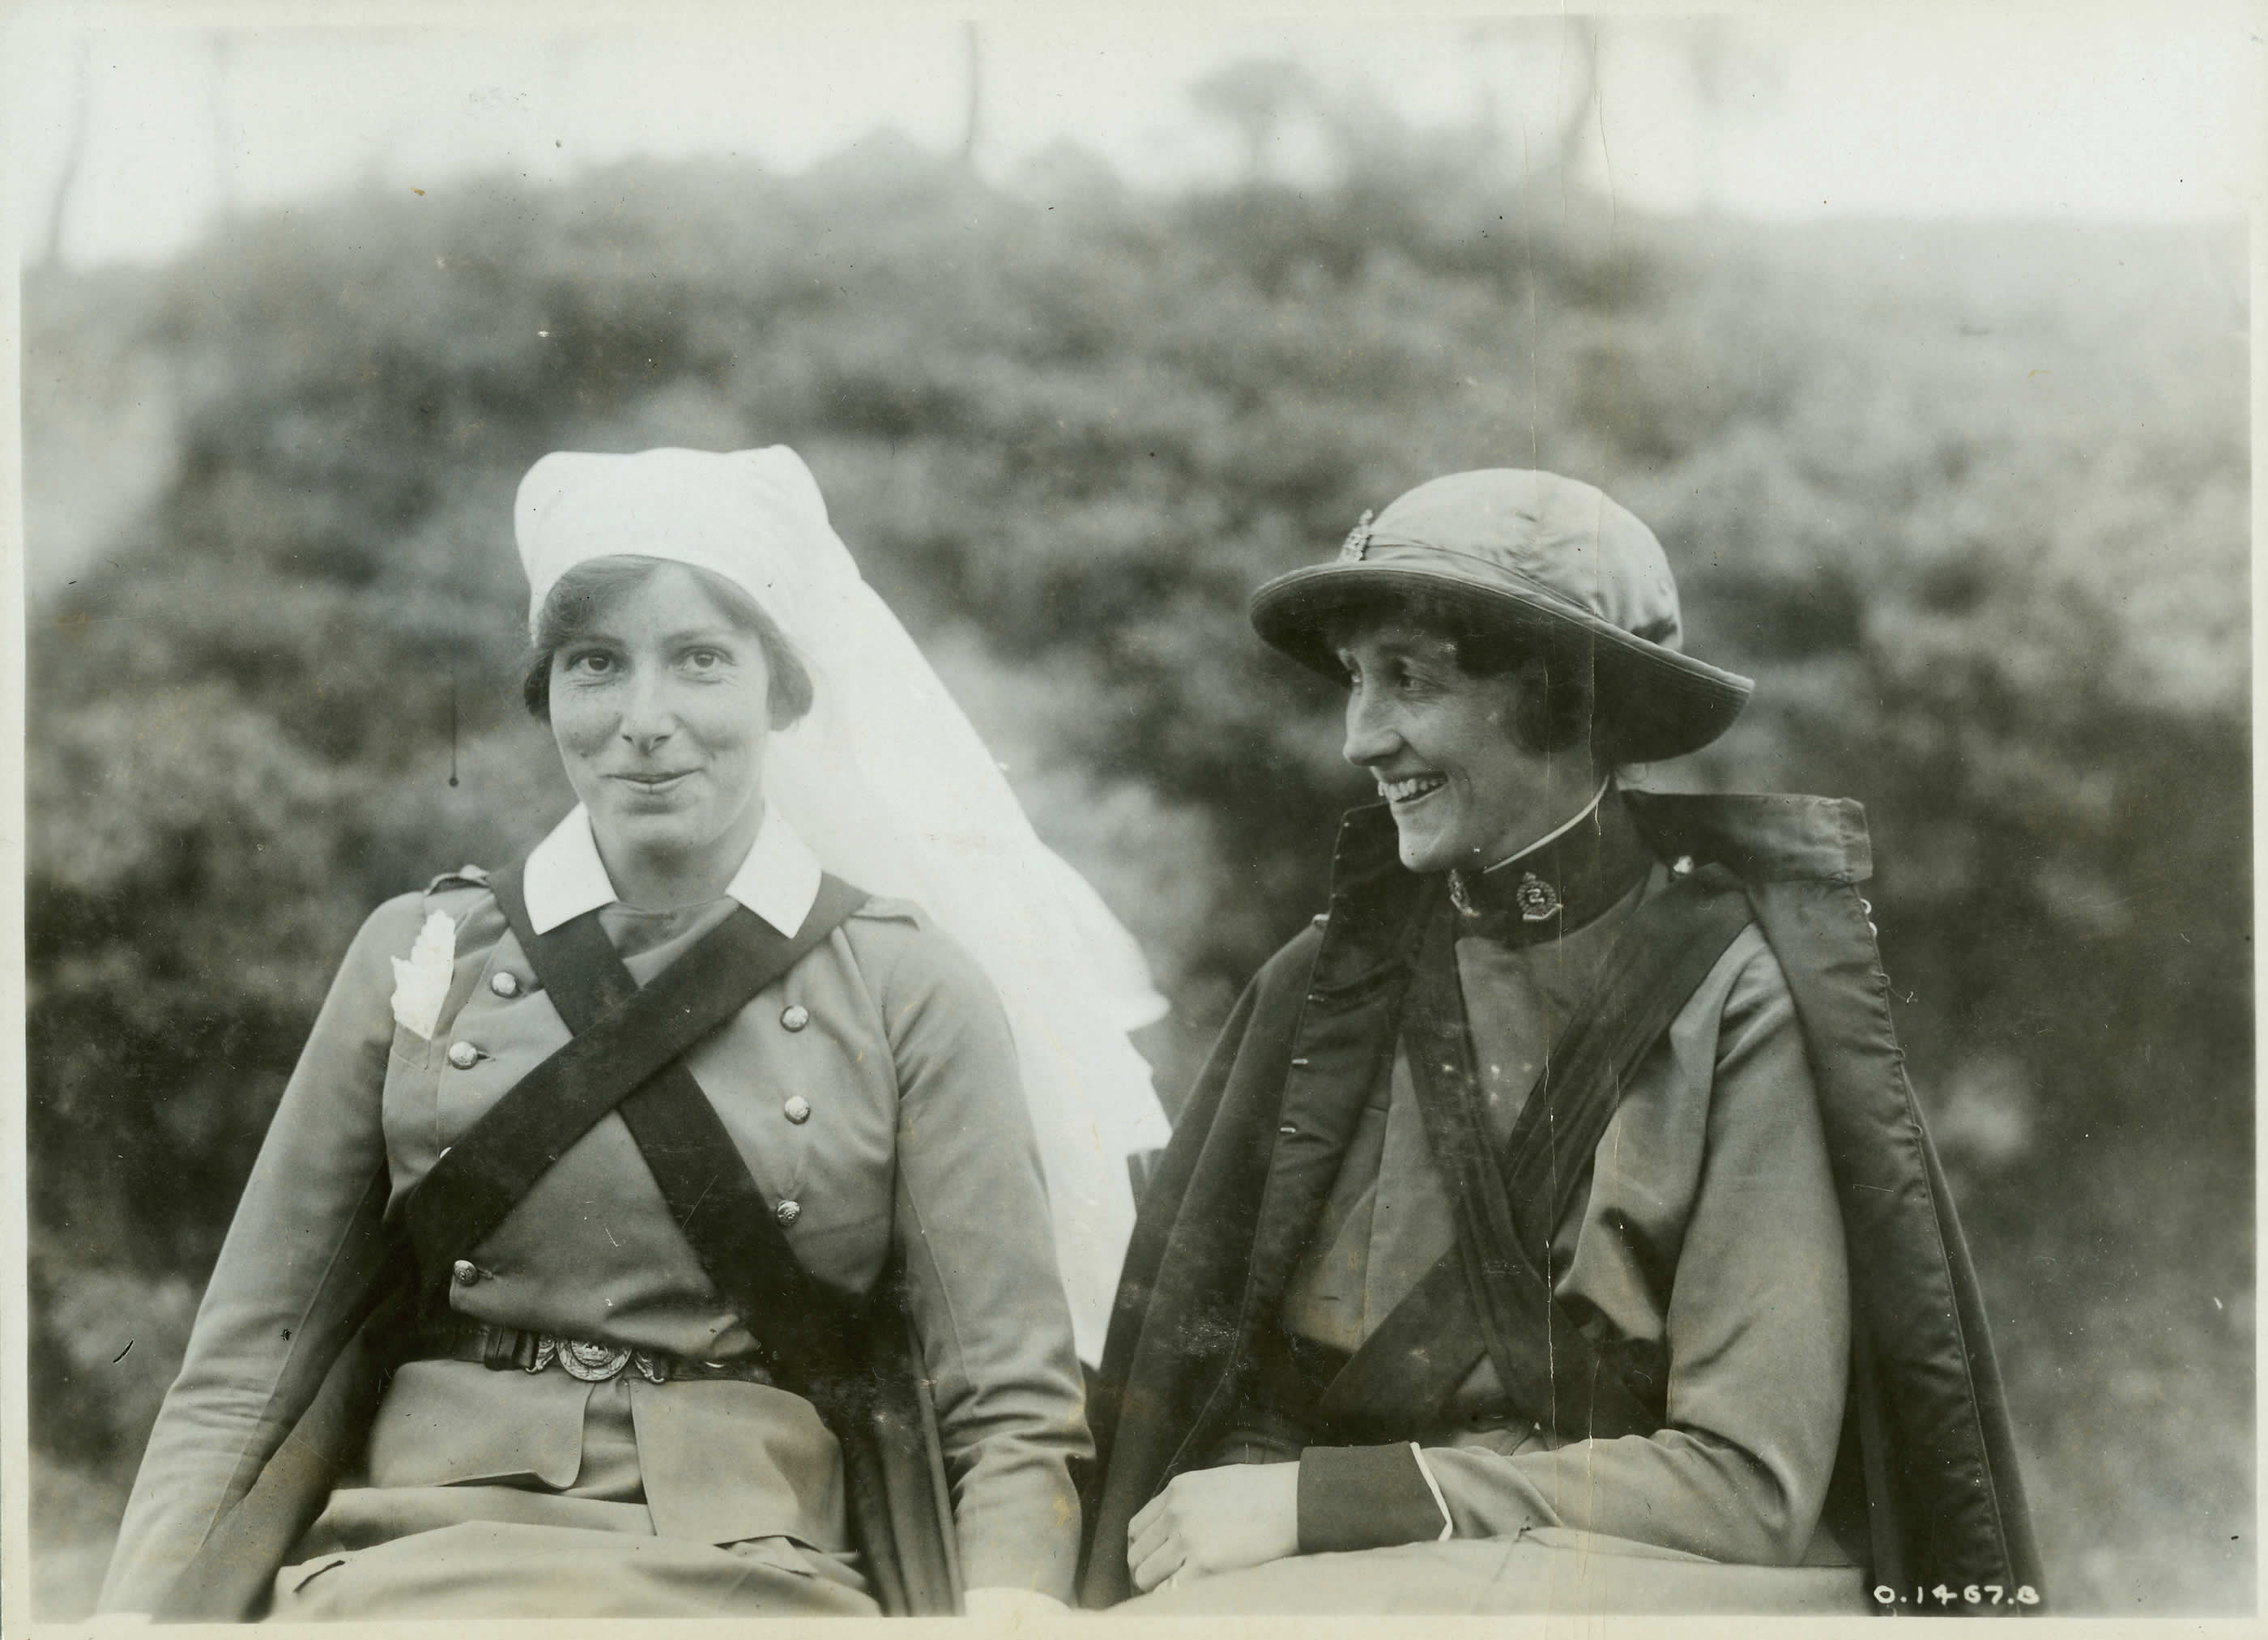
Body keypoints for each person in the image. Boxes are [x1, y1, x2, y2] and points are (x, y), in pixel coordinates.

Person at [98, 445, 1166, 1621]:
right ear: (549, 694)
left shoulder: (905, 985)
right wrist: (132, 1615)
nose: (646, 720)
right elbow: (249, 1359)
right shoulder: (424, 949)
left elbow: (1007, 1403)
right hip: (412, 1552)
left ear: (780, 692)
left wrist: (1013, 1607)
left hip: (757, 1569)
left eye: (701, 659)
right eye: (597, 663)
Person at [1081, 469, 2041, 1614]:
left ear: (1564, 697)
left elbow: (1747, 1489)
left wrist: (1331, 1504)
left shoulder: (1733, 995)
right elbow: (1208, 1394)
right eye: (1354, 678)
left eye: (1408, 678)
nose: (1359, 737)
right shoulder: (1326, 984)